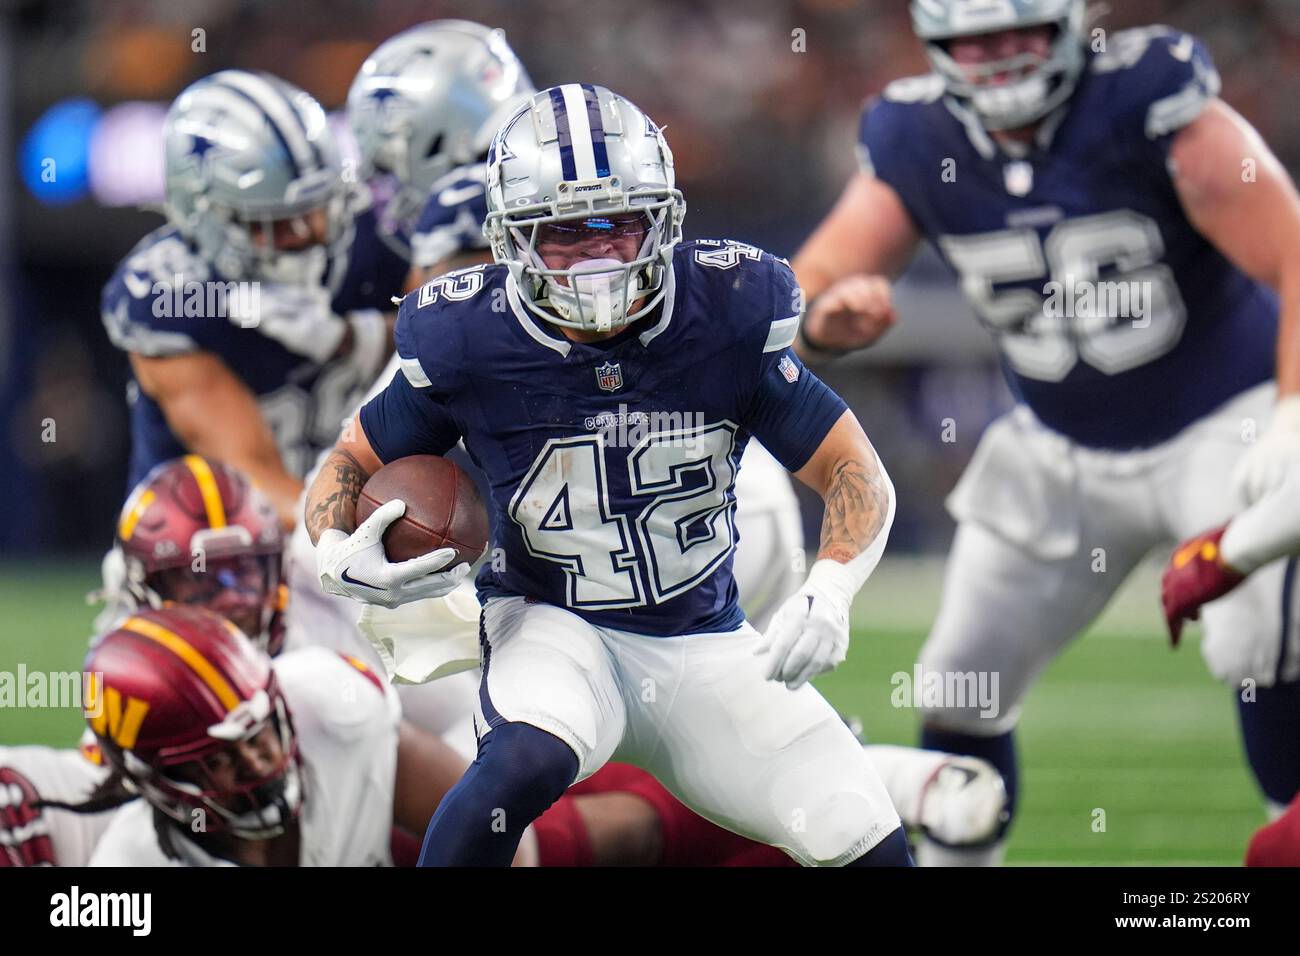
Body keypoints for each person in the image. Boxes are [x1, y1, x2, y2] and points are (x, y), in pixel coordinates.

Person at [305, 84, 912, 867]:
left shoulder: (728, 308)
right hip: (556, 625)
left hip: (707, 644)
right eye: (561, 234)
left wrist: (831, 589)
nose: (594, 256)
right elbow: (349, 466)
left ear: (662, 219)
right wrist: (334, 545)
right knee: (521, 763)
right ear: (512, 239)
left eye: (615, 225)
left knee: (860, 834)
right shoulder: (465, 338)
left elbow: (853, 471)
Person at [791, 0, 1300, 864]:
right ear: (938, 43)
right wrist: (828, 317)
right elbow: (816, 280)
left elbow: (1292, 254)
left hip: (1222, 421)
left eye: (1018, 33)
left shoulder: (1149, 99)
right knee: (960, 677)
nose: (998, 59)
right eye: (975, 40)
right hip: (1059, 445)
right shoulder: (921, 138)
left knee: (1261, 646)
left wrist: (1292, 414)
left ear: (1069, 24)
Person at [101, 70, 393, 527]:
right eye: (276, 223)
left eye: (317, 209)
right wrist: (368, 546)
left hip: (345, 541)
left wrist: (356, 339)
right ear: (207, 217)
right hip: (208, 557)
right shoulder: (170, 297)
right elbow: (256, 479)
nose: (310, 236)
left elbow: (450, 344)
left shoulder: (373, 240)